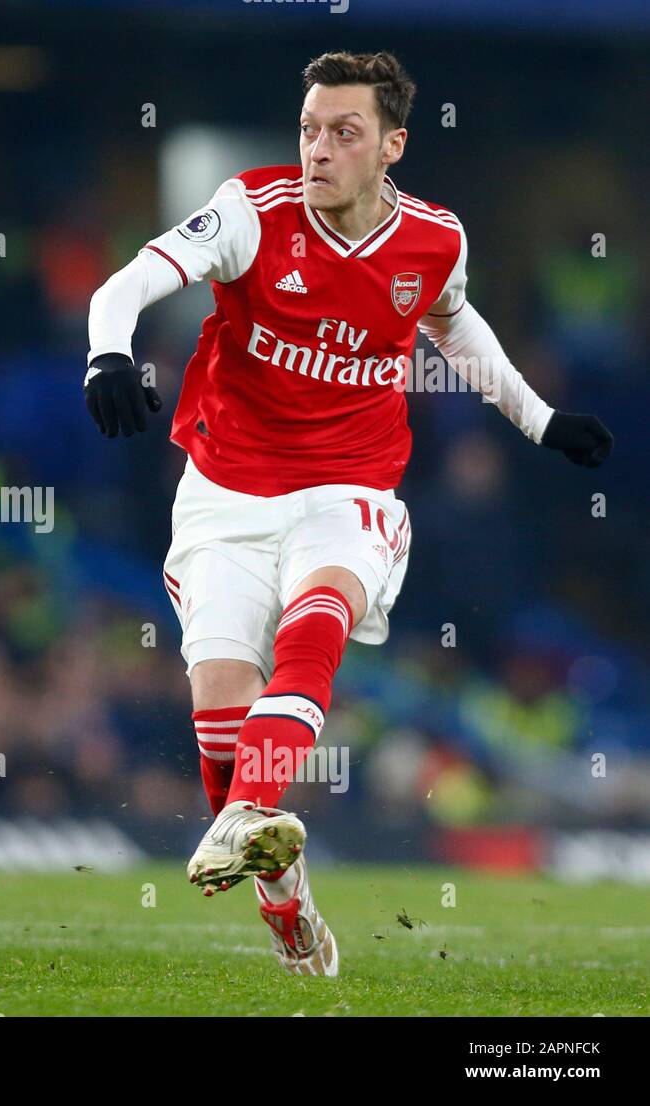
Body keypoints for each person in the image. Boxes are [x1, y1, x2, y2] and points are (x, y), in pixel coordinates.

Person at [83, 51, 612, 976]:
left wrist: (539, 421)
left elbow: (455, 323)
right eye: (308, 129)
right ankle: (284, 896)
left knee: (317, 618)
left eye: (343, 132)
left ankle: (249, 813)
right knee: (219, 717)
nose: (318, 149)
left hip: (350, 492)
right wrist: (108, 356)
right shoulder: (252, 212)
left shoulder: (433, 241)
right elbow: (123, 283)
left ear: (392, 146)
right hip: (226, 495)